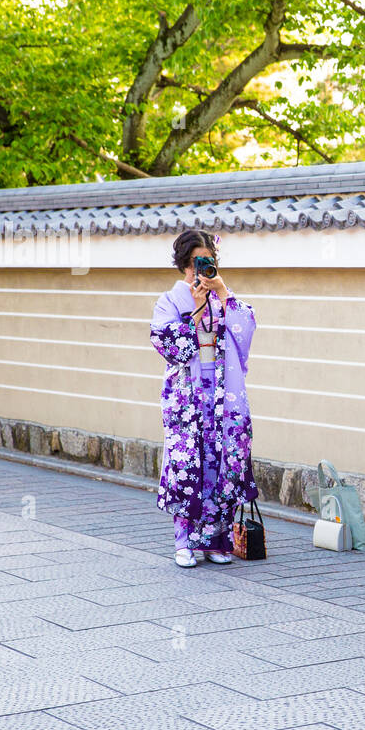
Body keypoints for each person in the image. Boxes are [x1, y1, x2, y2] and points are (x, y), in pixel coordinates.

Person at [150, 229, 259, 568]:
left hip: (223, 391)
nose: (202, 268)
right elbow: (172, 347)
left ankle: (215, 540)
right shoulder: (169, 301)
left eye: (208, 260)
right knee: (188, 462)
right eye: (197, 261)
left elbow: (246, 329)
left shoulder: (222, 298)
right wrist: (197, 309)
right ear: (185, 264)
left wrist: (223, 292)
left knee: (221, 459)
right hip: (187, 394)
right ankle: (183, 542)